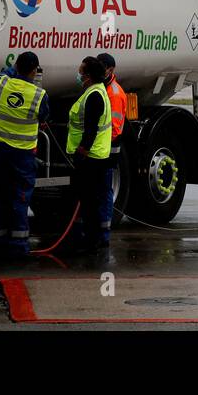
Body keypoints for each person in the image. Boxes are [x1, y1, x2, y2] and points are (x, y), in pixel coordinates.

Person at [0, 51, 47, 258]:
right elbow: (44, 116)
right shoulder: (39, 95)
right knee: (20, 199)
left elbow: (5, 73)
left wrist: (17, 69)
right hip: (23, 156)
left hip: (0, 152)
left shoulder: (1, 84)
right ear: (34, 71)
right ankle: (19, 246)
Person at [66, 55, 112, 253]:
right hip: (95, 155)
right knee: (90, 199)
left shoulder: (94, 95)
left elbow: (91, 128)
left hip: (91, 157)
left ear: (89, 76)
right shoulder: (95, 91)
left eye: (81, 72)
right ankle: (94, 238)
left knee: (89, 201)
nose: (79, 75)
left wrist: (82, 151)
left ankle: (92, 240)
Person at [96, 52, 128, 233]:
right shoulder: (102, 89)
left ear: (110, 70)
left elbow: (114, 130)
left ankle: (103, 230)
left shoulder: (114, 94)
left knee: (104, 190)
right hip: (102, 148)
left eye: (102, 67)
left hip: (108, 150)